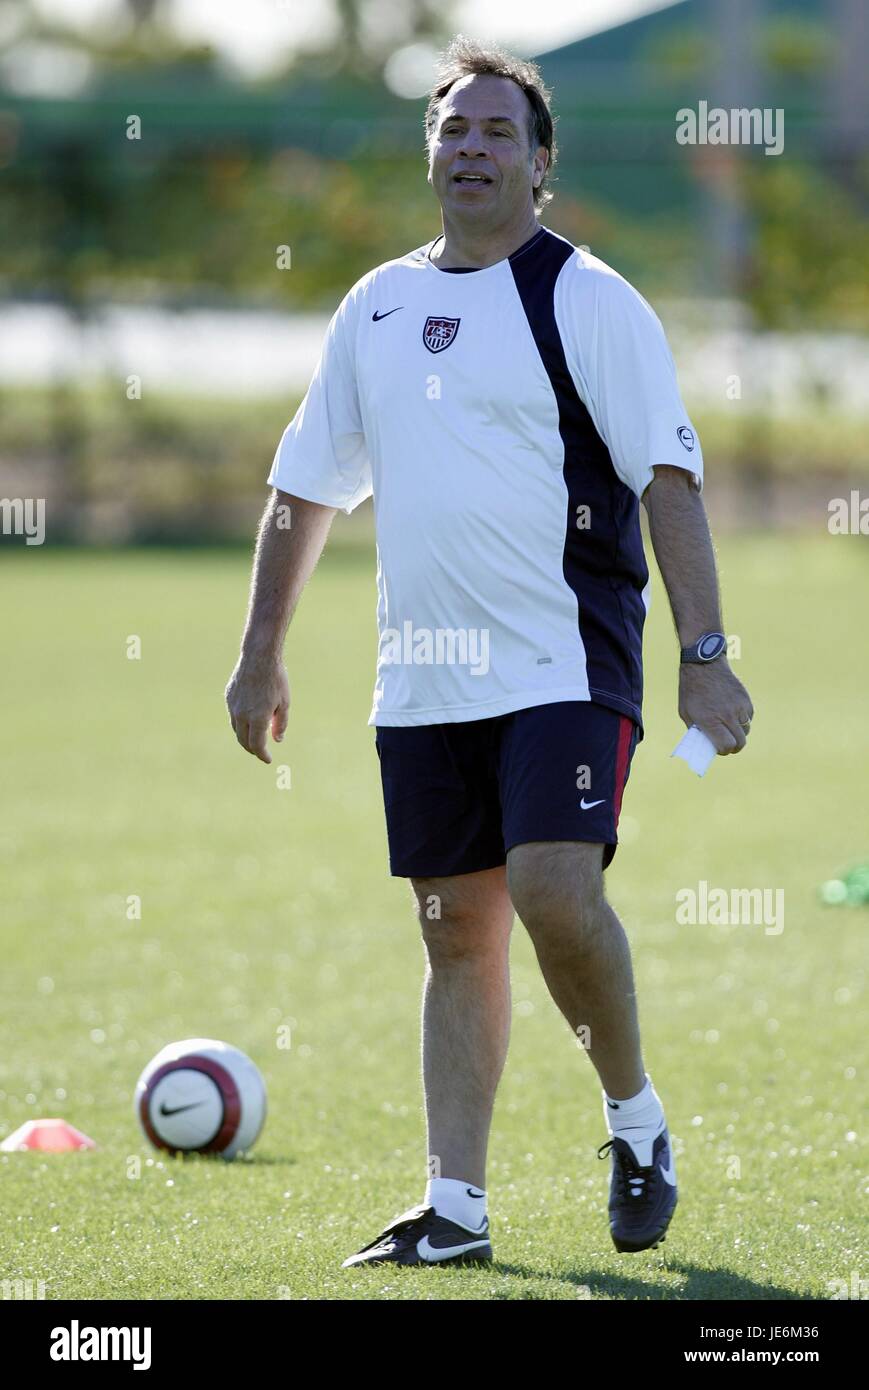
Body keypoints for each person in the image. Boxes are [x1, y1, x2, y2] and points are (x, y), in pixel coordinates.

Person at [225, 36, 754, 1268]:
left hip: (565, 662)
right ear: (431, 151)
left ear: (537, 163)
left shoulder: (586, 297)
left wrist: (706, 652)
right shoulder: (374, 305)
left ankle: (634, 1125)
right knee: (451, 928)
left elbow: (666, 477)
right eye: (452, 129)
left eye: (496, 133)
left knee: (552, 891)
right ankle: (453, 1210)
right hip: (420, 675)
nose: (471, 149)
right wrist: (261, 653)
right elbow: (303, 491)